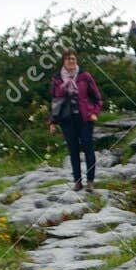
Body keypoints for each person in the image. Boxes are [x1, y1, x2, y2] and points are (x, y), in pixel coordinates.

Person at [49, 49, 103, 192]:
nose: (71, 61)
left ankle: (90, 181)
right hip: (67, 120)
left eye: (73, 58)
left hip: (85, 118)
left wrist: (94, 112)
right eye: (68, 59)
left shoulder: (85, 76)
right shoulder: (57, 79)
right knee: (73, 150)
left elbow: (98, 98)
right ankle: (77, 182)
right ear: (63, 61)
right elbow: (55, 101)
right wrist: (52, 122)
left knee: (87, 147)